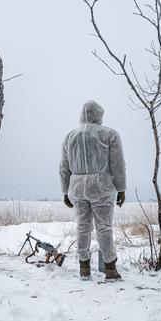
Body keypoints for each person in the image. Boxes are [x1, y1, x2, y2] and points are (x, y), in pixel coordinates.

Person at [59, 100, 127, 281]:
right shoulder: (109, 134)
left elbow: (63, 167)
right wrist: (121, 188)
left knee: (83, 226)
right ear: (99, 115)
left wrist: (65, 190)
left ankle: (84, 268)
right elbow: (117, 164)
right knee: (104, 227)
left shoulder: (70, 136)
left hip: (78, 188)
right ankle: (110, 268)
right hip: (101, 187)